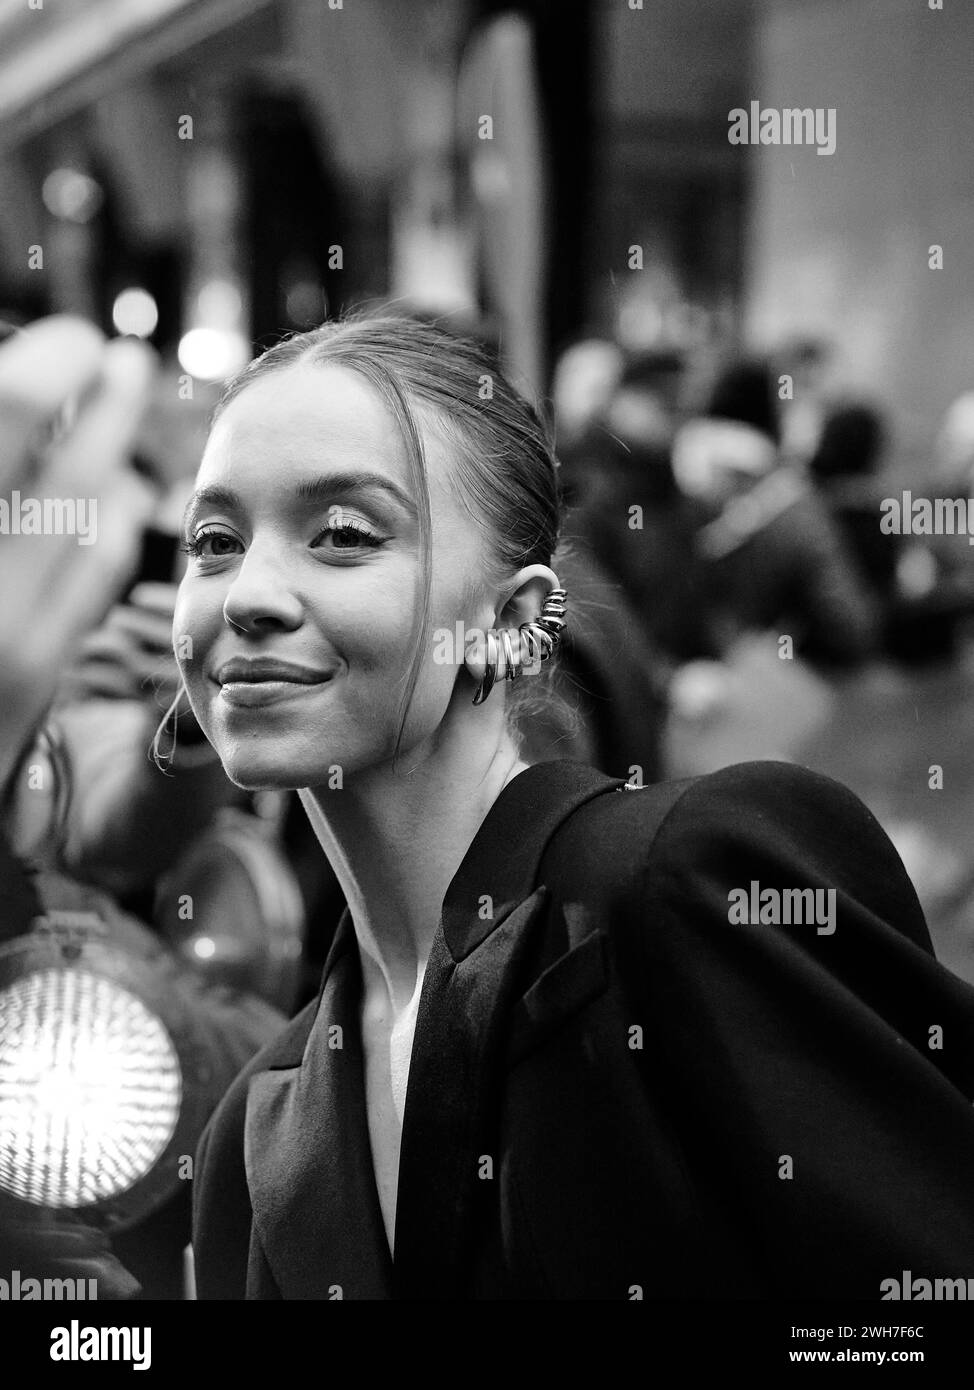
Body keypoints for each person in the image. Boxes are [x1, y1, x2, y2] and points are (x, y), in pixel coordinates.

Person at [188, 313, 974, 1300]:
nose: (245, 593)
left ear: (511, 621)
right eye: (213, 539)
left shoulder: (687, 886)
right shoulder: (253, 1131)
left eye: (342, 534)